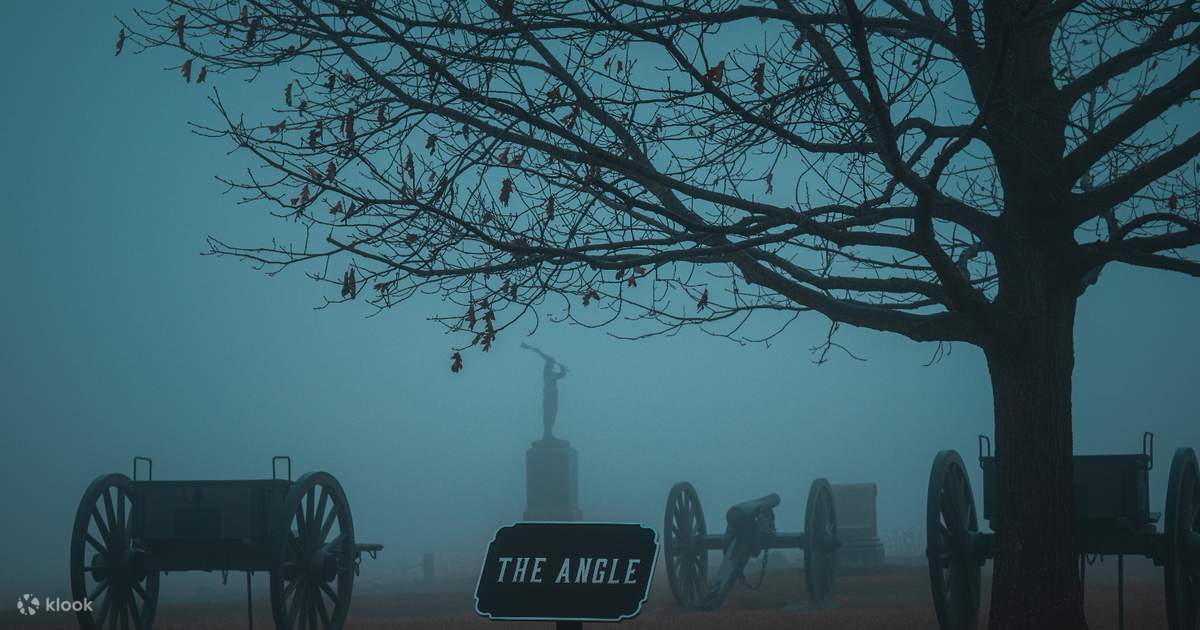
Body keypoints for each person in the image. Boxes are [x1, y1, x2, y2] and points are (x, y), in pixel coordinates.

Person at [520, 343, 568, 443]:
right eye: (551, 363)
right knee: (549, 416)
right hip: (549, 398)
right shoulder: (548, 373)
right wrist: (563, 370)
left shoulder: (549, 372)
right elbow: (560, 375)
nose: (553, 364)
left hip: (553, 397)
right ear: (548, 364)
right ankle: (547, 436)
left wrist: (563, 370)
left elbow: (561, 375)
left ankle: (549, 435)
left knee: (552, 416)